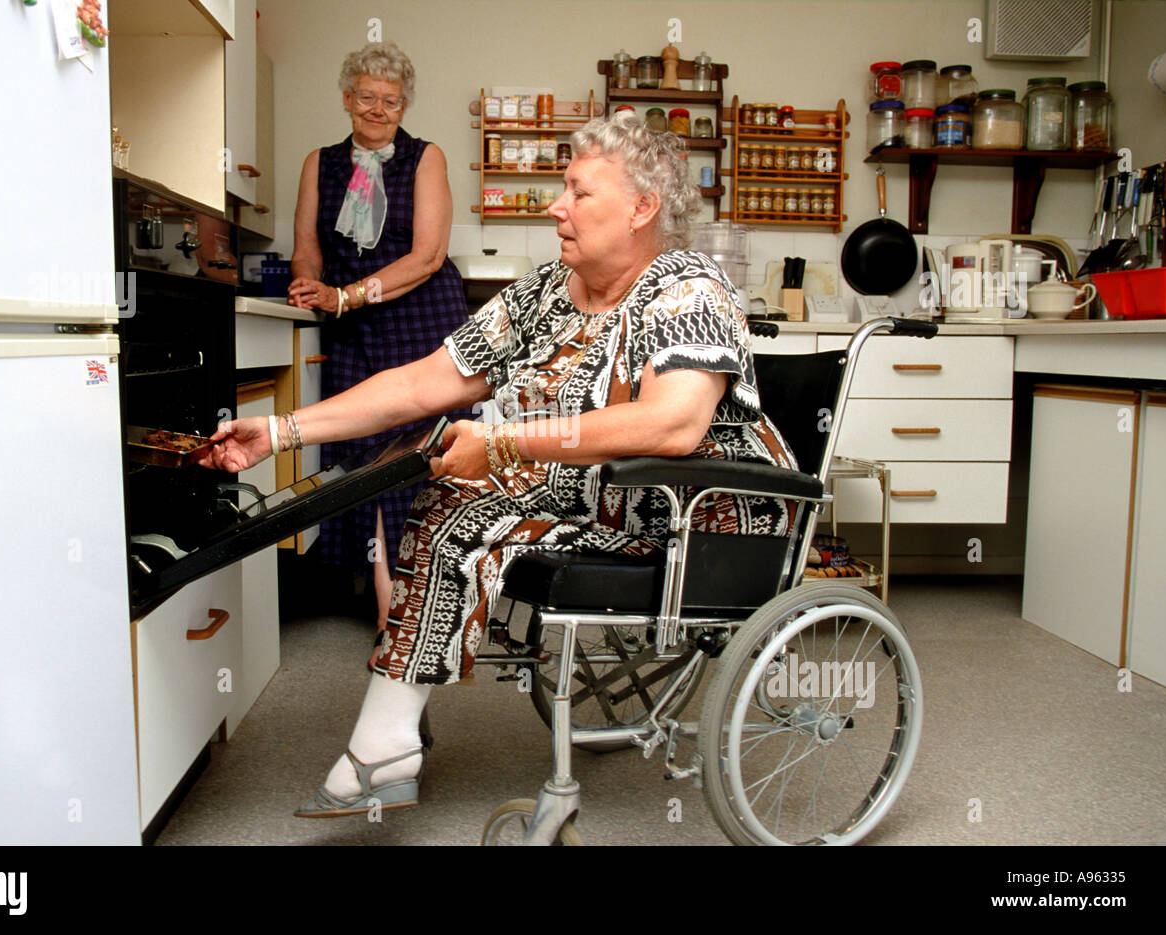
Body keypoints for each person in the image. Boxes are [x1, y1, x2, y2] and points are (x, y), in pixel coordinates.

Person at [202, 113, 797, 819]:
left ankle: (388, 739)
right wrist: (280, 430)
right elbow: (423, 382)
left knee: (470, 493)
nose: (557, 205)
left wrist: (508, 443)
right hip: (597, 492)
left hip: (705, 511)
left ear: (642, 209)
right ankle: (395, 719)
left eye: (579, 192)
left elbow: (673, 423)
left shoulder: (688, 289)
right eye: (561, 189)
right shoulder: (547, 291)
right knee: (442, 480)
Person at [286, 41, 472, 637]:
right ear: (347, 98)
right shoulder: (320, 162)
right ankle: (391, 605)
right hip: (354, 328)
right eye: (367, 97)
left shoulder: (426, 157)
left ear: (404, 104)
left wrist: (347, 295)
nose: (378, 109)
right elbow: (309, 245)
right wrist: (309, 283)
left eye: (390, 101)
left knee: (416, 458)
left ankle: (402, 616)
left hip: (419, 320)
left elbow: (427, 256)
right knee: (361, 455)